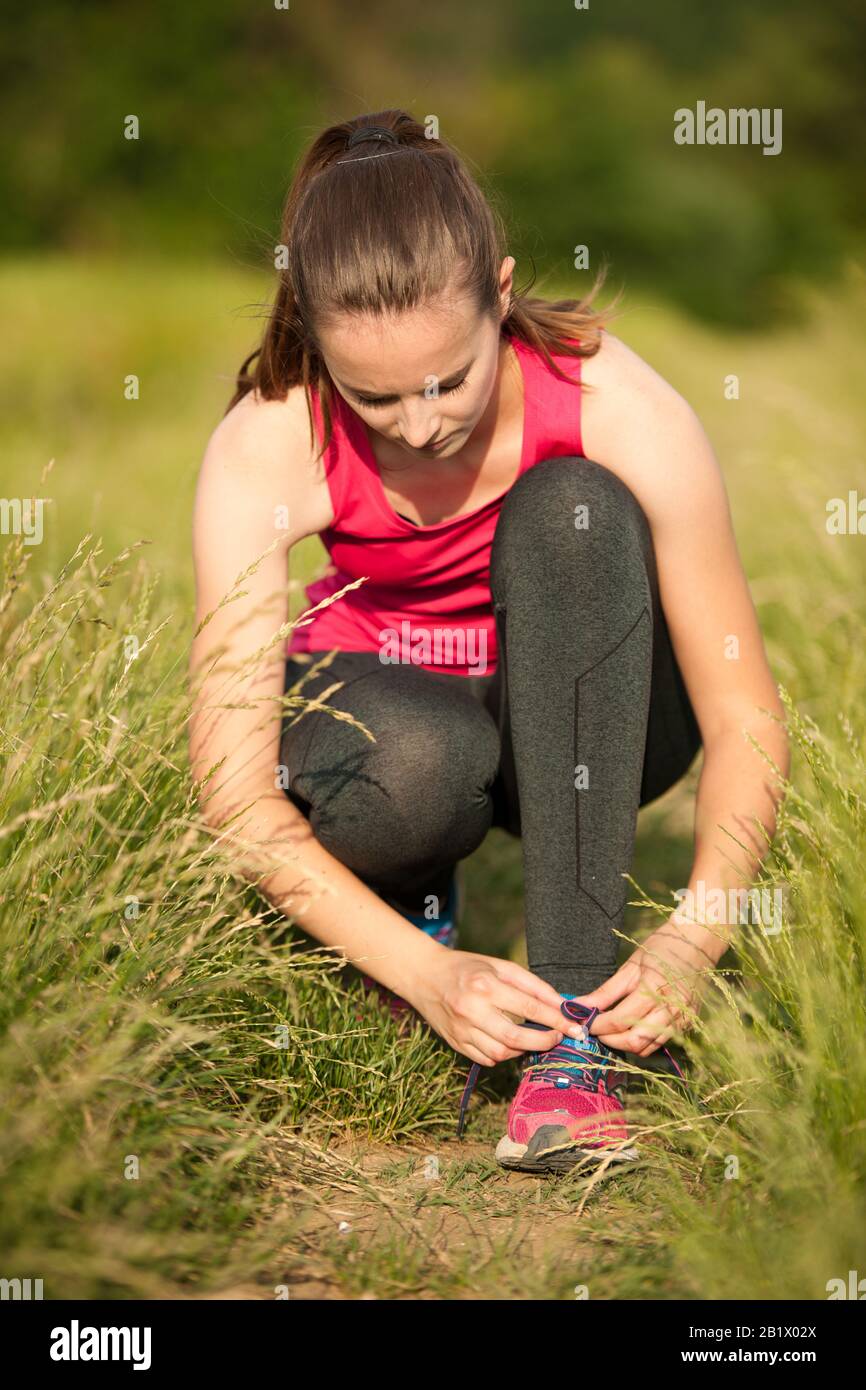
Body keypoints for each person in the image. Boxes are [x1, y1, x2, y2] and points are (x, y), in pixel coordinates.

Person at [188, 110, 790, 1173]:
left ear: (500, 296)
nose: (419, 426)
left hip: (593, 720)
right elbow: (233, 798)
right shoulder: (269, 442)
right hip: (392, 716)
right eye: (373, 396)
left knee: (574, 509)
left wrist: (698, 933)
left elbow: (743, 712)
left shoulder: (614, 399)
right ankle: (408, 906)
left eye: (447, 381)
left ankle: (573, 1029)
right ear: (317, 346)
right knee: (422, 760)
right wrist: (426, 978)